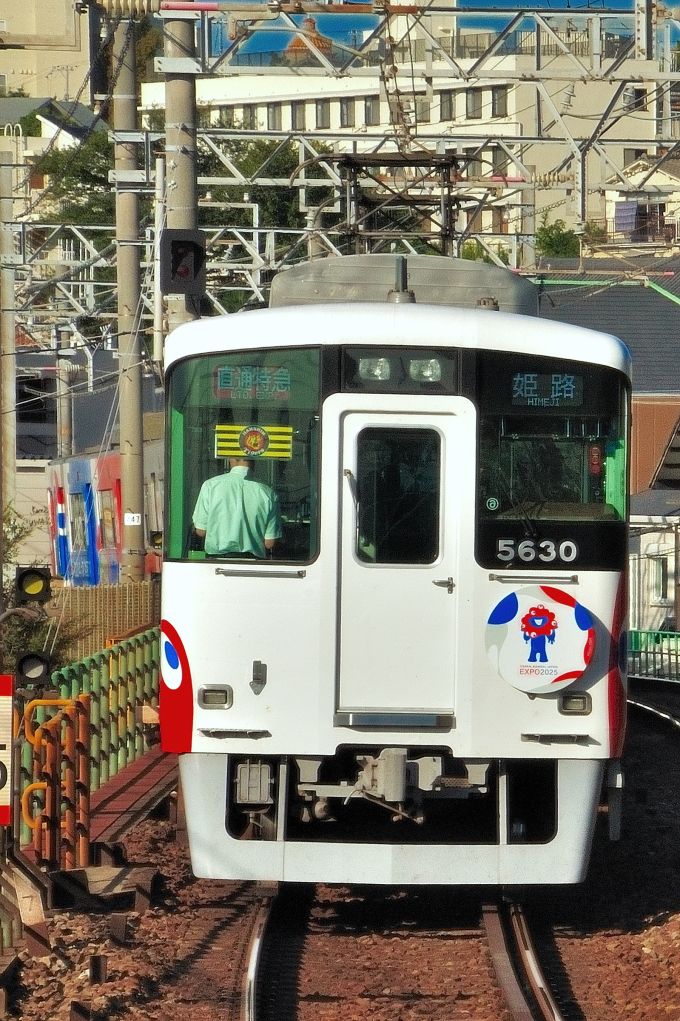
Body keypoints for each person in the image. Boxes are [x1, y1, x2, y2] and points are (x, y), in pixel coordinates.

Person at [192, 456, 283, 558]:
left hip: (216, 564)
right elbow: (270, 543)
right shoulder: (268, 493)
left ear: (230, 458)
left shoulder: (210, 486)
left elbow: (201, 531)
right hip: (253, 565)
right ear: (254, 459)